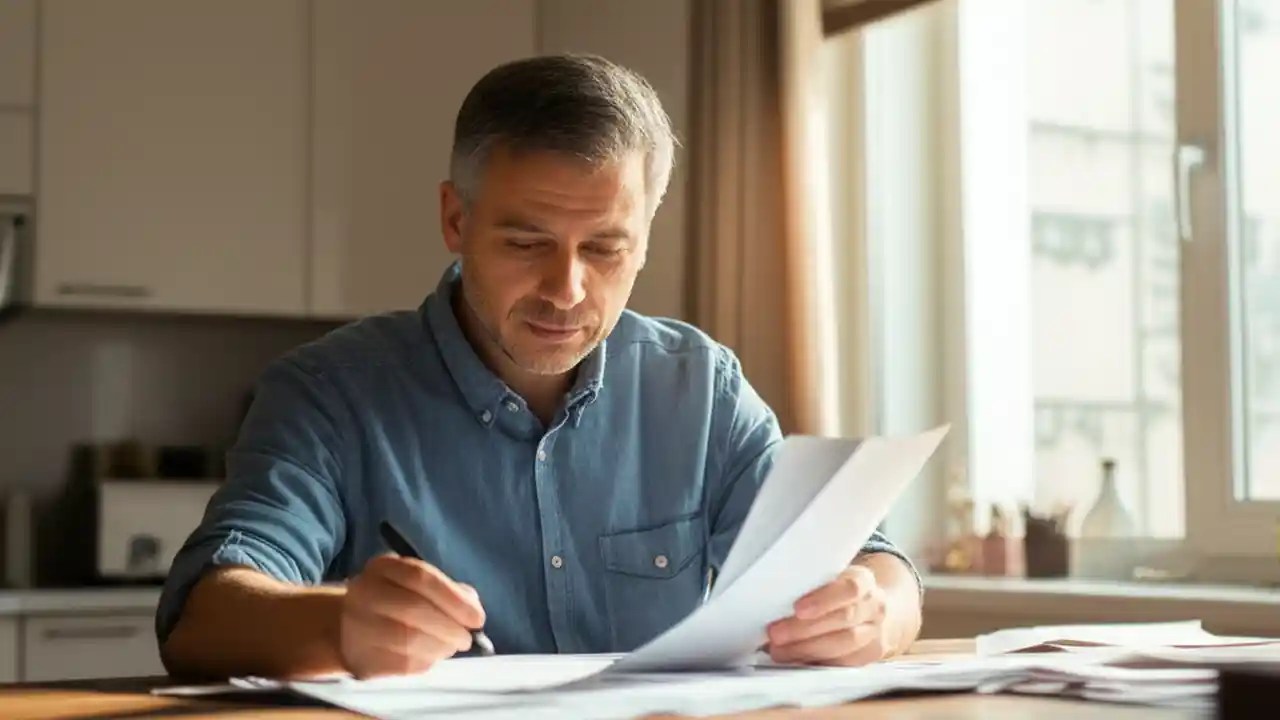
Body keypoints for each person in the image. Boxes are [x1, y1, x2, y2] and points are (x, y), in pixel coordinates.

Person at [157, 53, 922, 680]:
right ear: (455, 219)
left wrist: (874, 610)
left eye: (606, 248)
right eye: (527, 244)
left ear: (646, 238)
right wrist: (338, 624)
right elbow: (201, 615)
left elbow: (876, 565)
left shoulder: (700, 388)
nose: (567, 290)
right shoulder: (329, 394)